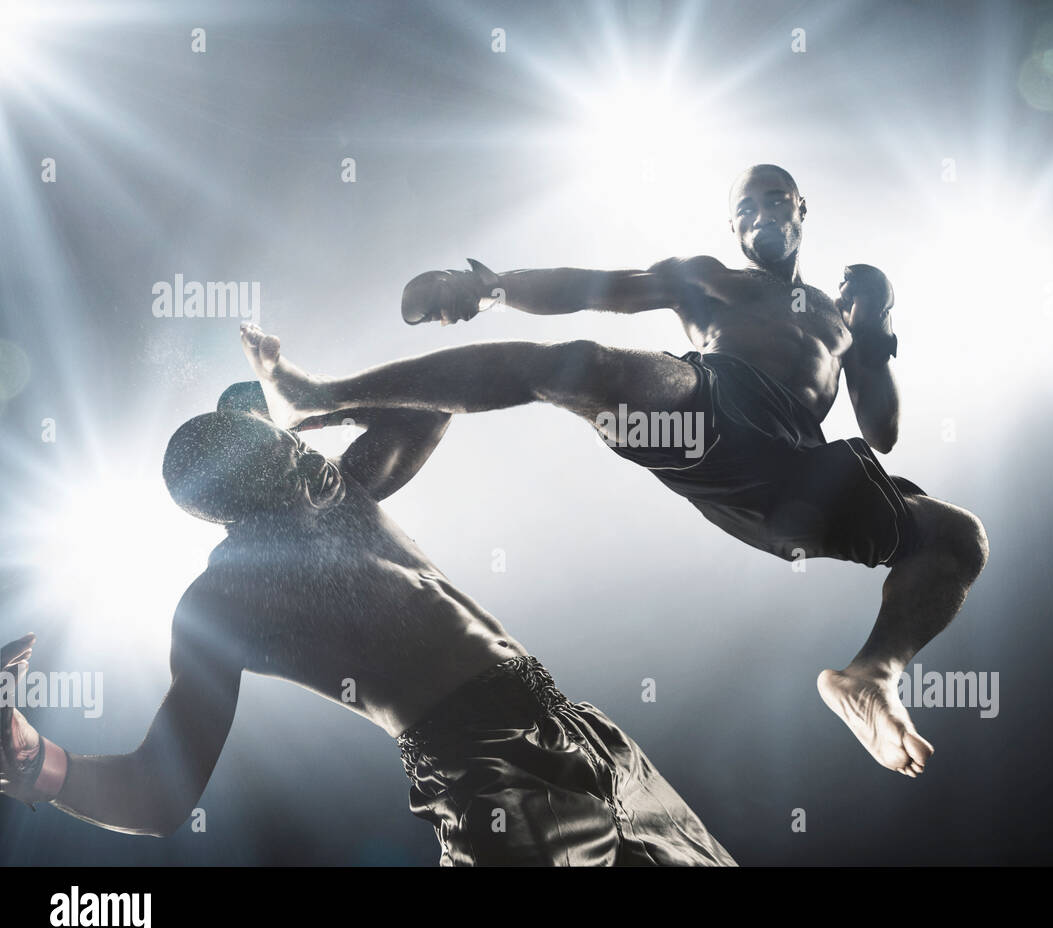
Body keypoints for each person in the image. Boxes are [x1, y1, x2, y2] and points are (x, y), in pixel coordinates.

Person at [239, 164, 990, 779]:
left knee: (955, 535)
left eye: (775, 197)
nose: (761, 210)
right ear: (731, 227)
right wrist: (492, 286)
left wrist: (879, 329)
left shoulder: (840, 316)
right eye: (745, 204)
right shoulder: (710, 281)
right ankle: (316, 399)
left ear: (801, 209)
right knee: (581, 366)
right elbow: (605, 285)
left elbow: (883, 433)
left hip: (798, 474)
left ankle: (871, 677)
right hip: (710, 413)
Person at [0, 378, 736, 866]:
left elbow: (439, 400)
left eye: (300, 443)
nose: (317, 462)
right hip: (486, 776)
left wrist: (319, 398)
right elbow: (160, 798)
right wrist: (35, 762)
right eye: (291, 461)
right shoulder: (223, 602)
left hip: (584, 732)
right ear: (246, 502)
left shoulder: (342, 491)